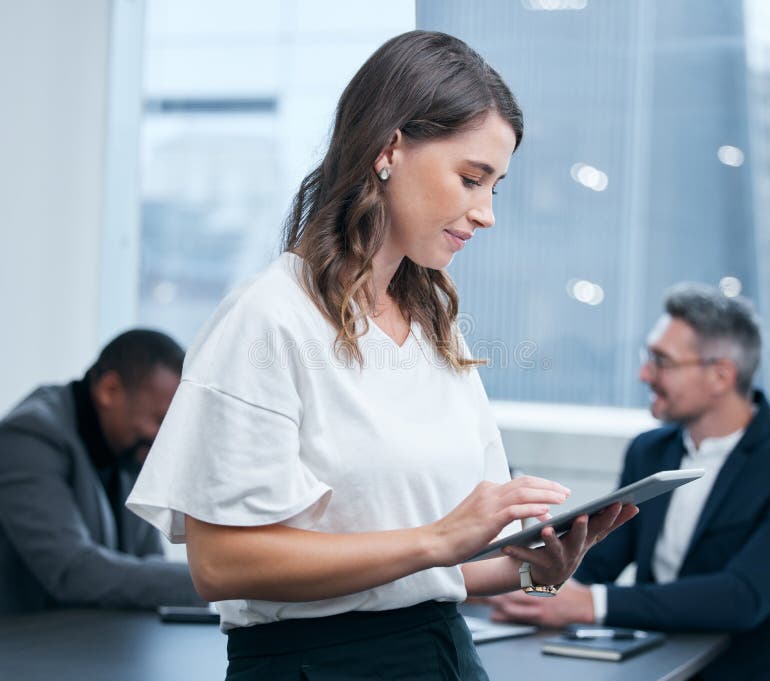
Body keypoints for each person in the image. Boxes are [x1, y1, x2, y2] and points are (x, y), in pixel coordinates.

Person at [126, 30, 636, 680]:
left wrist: (531, 568)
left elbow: (437, 569)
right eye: (472, 178)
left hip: (442, 653)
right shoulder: (269, 319)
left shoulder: (436, 330)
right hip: (317, 665)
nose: (486, 214)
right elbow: (221, 564)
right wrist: (438, 539)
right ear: (389, 148)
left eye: (495, 188)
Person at [487, 284, 770, 681]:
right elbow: (600, 559)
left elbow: (743, 597)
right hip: (656, 662)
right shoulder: (651, 451)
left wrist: (592, 605)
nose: (644, 374)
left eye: (661, 361)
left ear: (721, 375)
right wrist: (526, 587)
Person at [0, 329, 204, 614]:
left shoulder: (127, 451)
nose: (167, 438)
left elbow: (146, 560)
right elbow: (71, 571)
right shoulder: (27, 438)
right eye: (161, 420)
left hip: (92, 644)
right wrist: (214, 581)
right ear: (109, 390)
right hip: (25, 650)